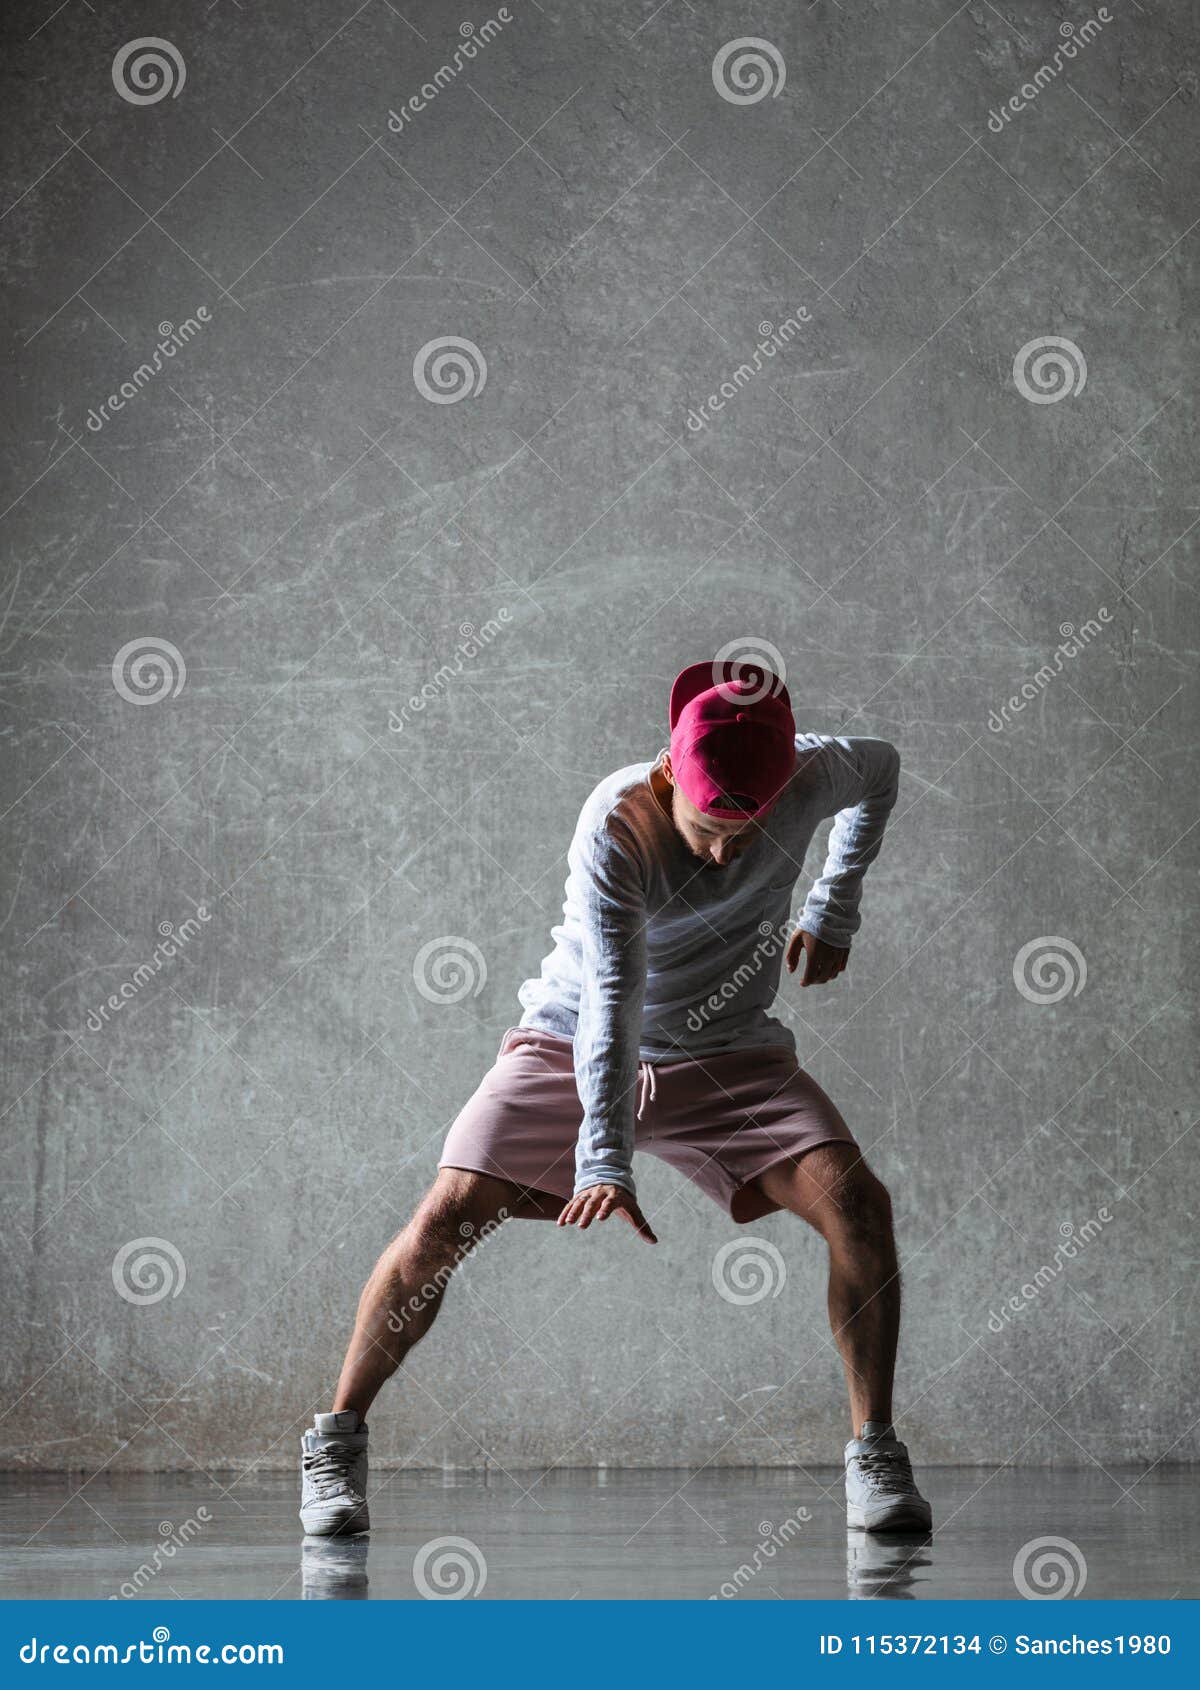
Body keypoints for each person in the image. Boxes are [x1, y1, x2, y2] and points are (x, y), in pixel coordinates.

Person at [300, 659, 931, 1537]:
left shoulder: (814, 770)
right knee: (446, 1215)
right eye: (710, 829)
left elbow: (886, 766)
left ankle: (875, 1455)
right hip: (576, 1039)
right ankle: (336, 1445)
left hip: (729, 1052)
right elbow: (613, 1001)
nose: (725, 855)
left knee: (860, 1206)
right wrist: (606, 1154)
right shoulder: (616, 823)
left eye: (747, 838)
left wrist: (835, 903)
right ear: (671, 776)